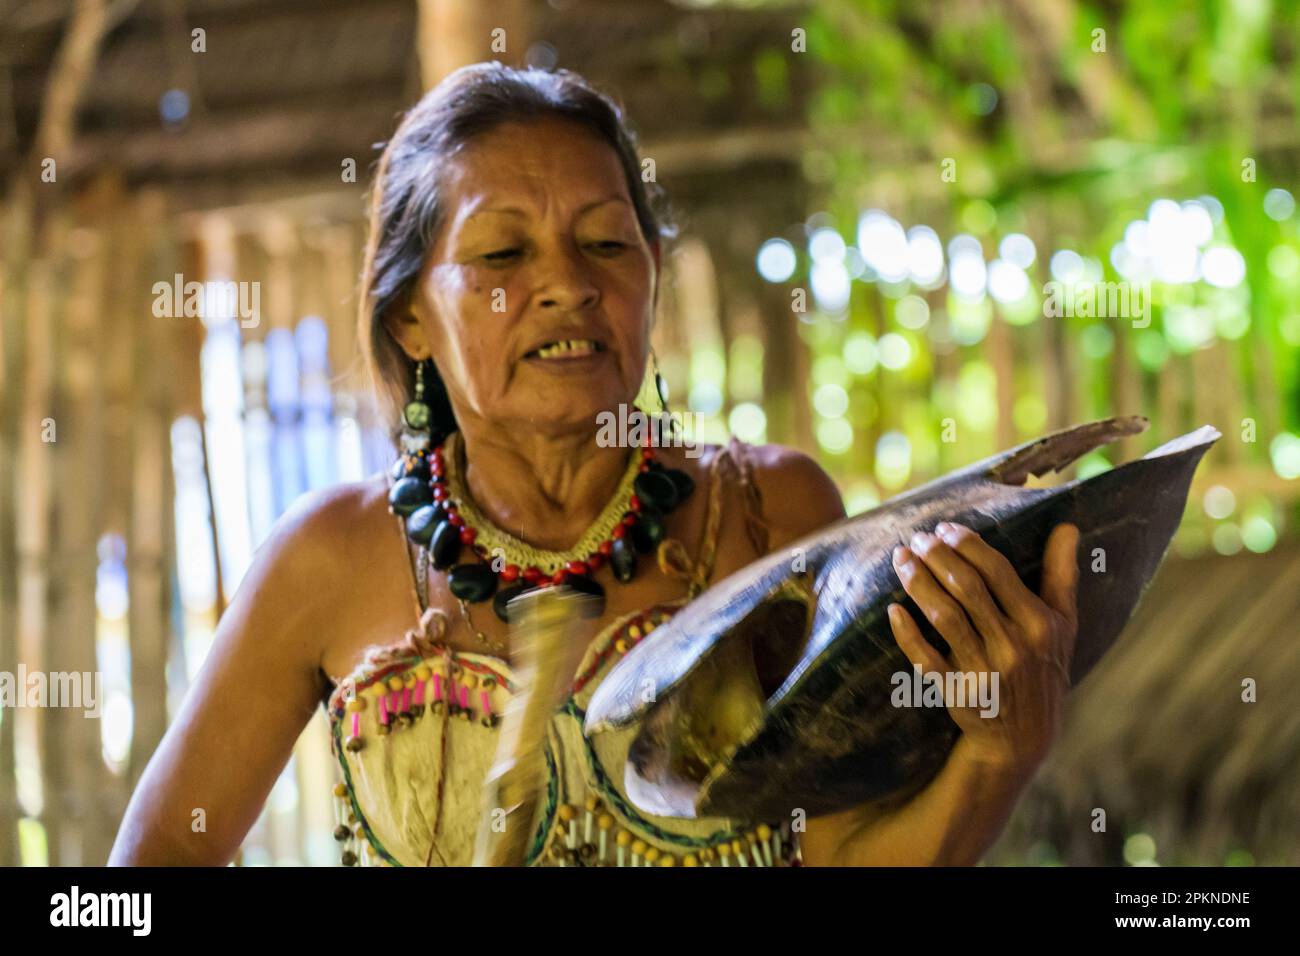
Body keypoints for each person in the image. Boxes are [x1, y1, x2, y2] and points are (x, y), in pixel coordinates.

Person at [109, 62, 1079, 867]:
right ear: (411, 314)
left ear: (651, 275)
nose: (568, 286)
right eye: (501, 254)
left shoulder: (768, 515)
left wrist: (999, 752)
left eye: (606, 241)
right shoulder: (328, 559)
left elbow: (841, 859)